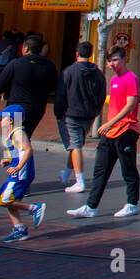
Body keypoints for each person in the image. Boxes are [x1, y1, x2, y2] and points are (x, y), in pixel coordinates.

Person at [67, 47, 140, 219]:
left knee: (128, 170)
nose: (112, 64)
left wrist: (110, 123)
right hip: (110, 133)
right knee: (100, 171)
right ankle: (91, 206)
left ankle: (132, 203)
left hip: (126, 130)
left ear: (124, 59)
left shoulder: (131, 78)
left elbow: (131, 104)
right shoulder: (114, 80)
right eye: (110, 61)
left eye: (115, 60)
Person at [54, 41, 106, 193]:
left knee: (75, 145)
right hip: (89, 114)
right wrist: (96, 110)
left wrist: (58, 112)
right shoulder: (98, 74)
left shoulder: (69, 72)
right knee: (75, 144)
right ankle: (66, 173)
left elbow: (61, 95)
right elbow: (102, 95)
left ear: (77, 54)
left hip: (72, 113)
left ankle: (79, 181)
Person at [0, 105, 45, 243]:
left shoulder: (18, 133)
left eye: (2, 118)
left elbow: (28, 150)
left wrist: (17, 167)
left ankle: (34, 208)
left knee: (4, 199)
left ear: (10, 120)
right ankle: (19, 229)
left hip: (21, 173)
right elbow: (17, 152)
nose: (0, 121)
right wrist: (8, 160)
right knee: (10, 201)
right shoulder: (11, 134)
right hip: (18, 172)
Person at [0, 33, 58, 138]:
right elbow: (52, 87)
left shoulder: (15, 63)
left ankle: (23, 153)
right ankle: (23, 152)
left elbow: (0, 85)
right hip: (38, 107)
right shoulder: (49, 66)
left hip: (17, 106)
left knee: (15, 139)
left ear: (26, 48)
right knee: (24, 136)